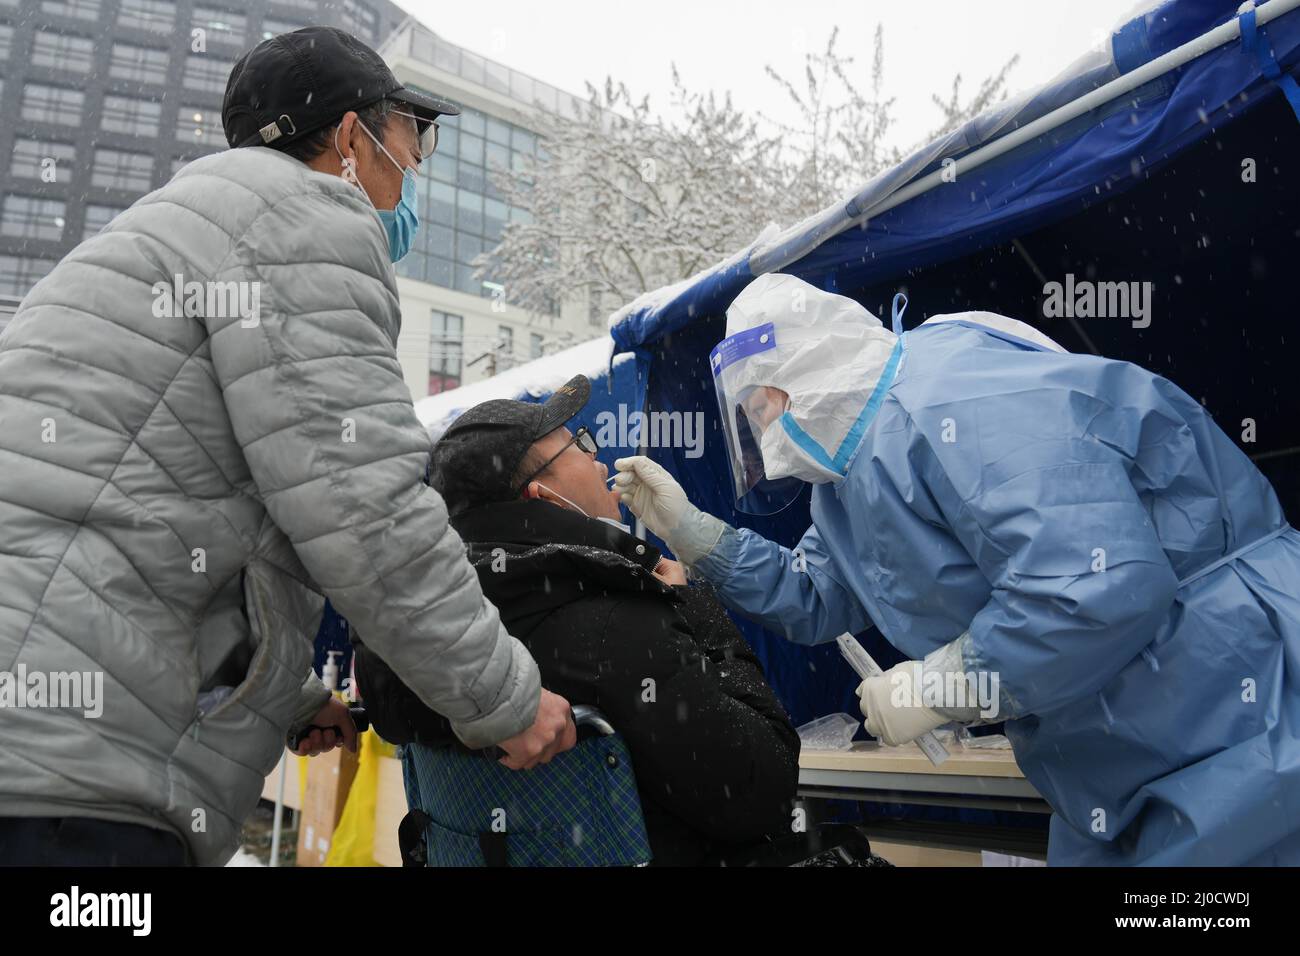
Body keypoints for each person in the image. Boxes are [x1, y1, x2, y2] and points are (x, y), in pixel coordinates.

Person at [0, 28, 573, 867]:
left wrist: (289, 695)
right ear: (350, 138)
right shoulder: (305, 219)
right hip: (67, 778)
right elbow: (363, 509)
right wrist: (504, 698)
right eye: (412, 136)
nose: (415, 167)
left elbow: (140, 512)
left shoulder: (182, 225)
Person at [615, 272, 1300, 866]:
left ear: (811, 374)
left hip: (1229, 690)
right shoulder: (849, 476)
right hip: (1119, 736)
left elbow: (1098, 584)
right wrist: (696, 533)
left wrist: (942, 686)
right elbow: (817, 594)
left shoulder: (955, 398)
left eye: (764, 407)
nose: (766, 436)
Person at [354, 376, 802, 865]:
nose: (600, 460)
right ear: (543, 495)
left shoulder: (412, 654)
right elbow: (764, 791)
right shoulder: (617, 630)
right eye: (579, 446)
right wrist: (689, 604)